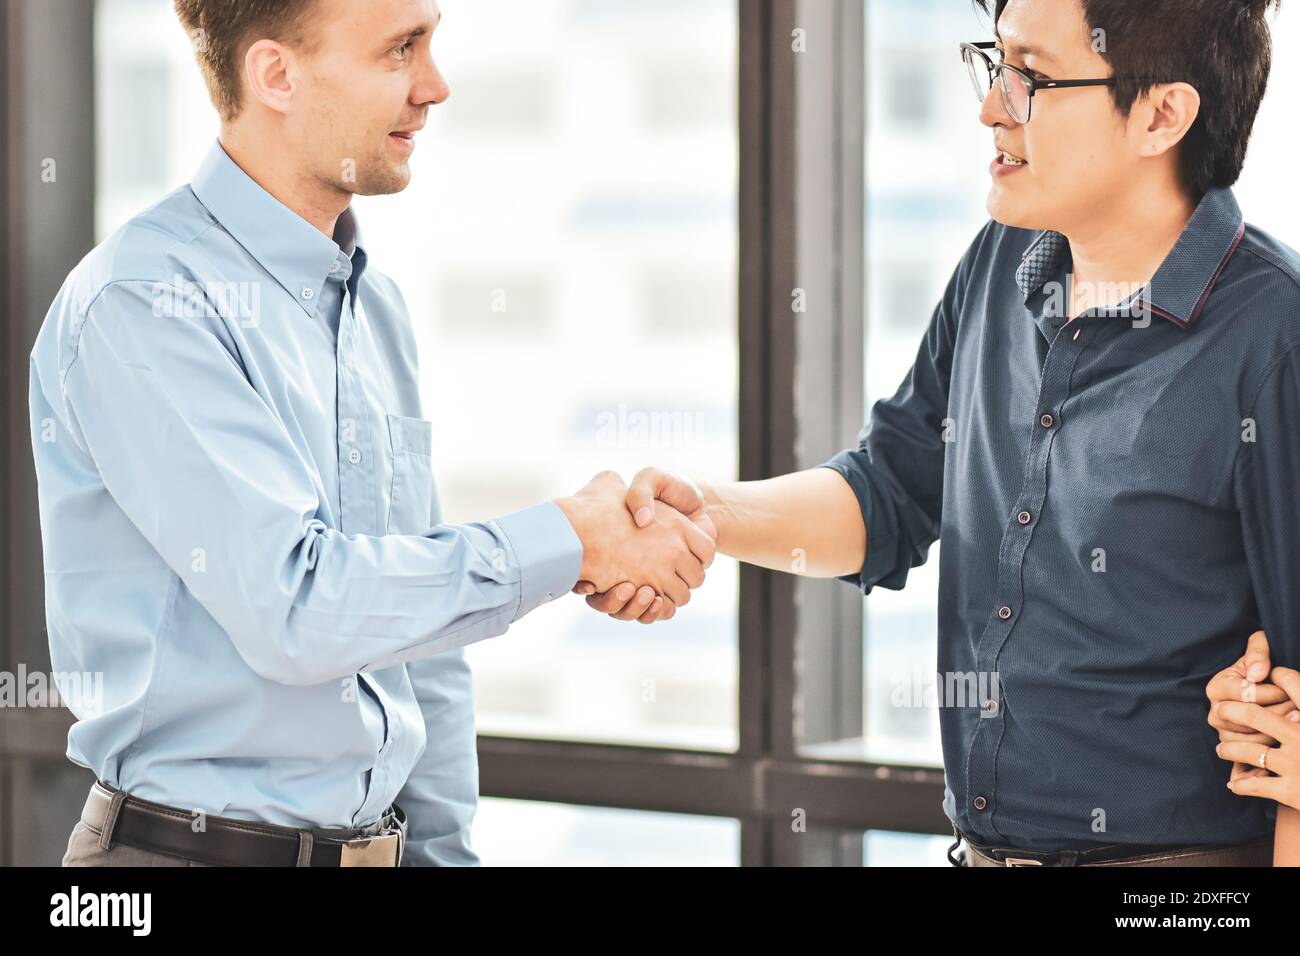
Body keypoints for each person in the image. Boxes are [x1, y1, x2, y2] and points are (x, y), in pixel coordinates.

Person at [587, 0, 1300, 866]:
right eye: (993, 64)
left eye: (1032, 77)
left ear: (1162, 115)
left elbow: (1289, 736)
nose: (992, 106)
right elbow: (888, 491)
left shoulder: (1275, 336)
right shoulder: (1001, 263)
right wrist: (706, 512)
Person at [30, 0, 713, 867]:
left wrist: (442, 856)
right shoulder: (145, 301)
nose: (434, 86)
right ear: (275, 74)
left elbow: (420, 649)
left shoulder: (373, 309)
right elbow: (299, 609)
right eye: (400, 49)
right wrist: (574, 541)